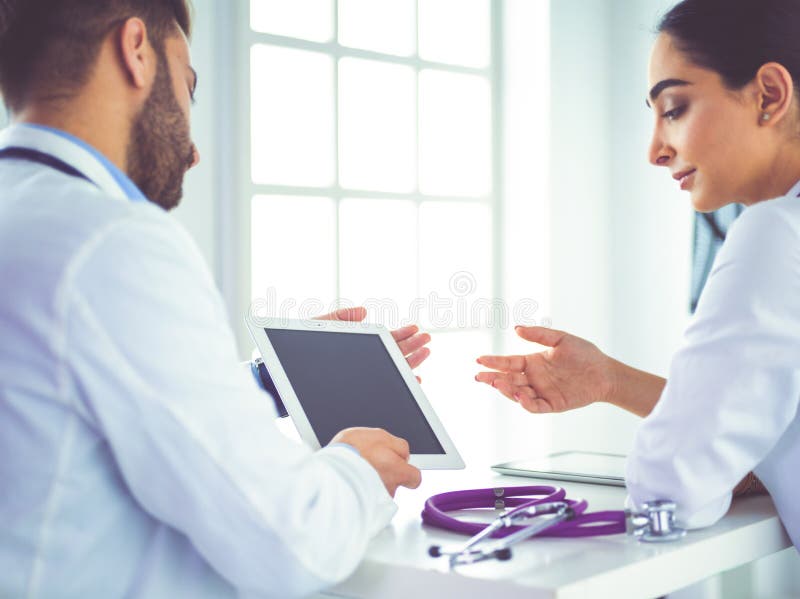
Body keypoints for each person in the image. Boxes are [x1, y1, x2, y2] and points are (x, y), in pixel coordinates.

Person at [0, 1, 431, 597]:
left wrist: (264, 381)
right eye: (188, 86)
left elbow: (64, 412)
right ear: (137, 50)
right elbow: (292, 543)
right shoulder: (112, 241)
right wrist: (358, 469)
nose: (194, 150)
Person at [476, 0, 800, 549]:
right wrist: (609, 380)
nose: (655, 150)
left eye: (673, 108)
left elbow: (670, 494)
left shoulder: (777, 233)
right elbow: (766, 417)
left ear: (769, 94)